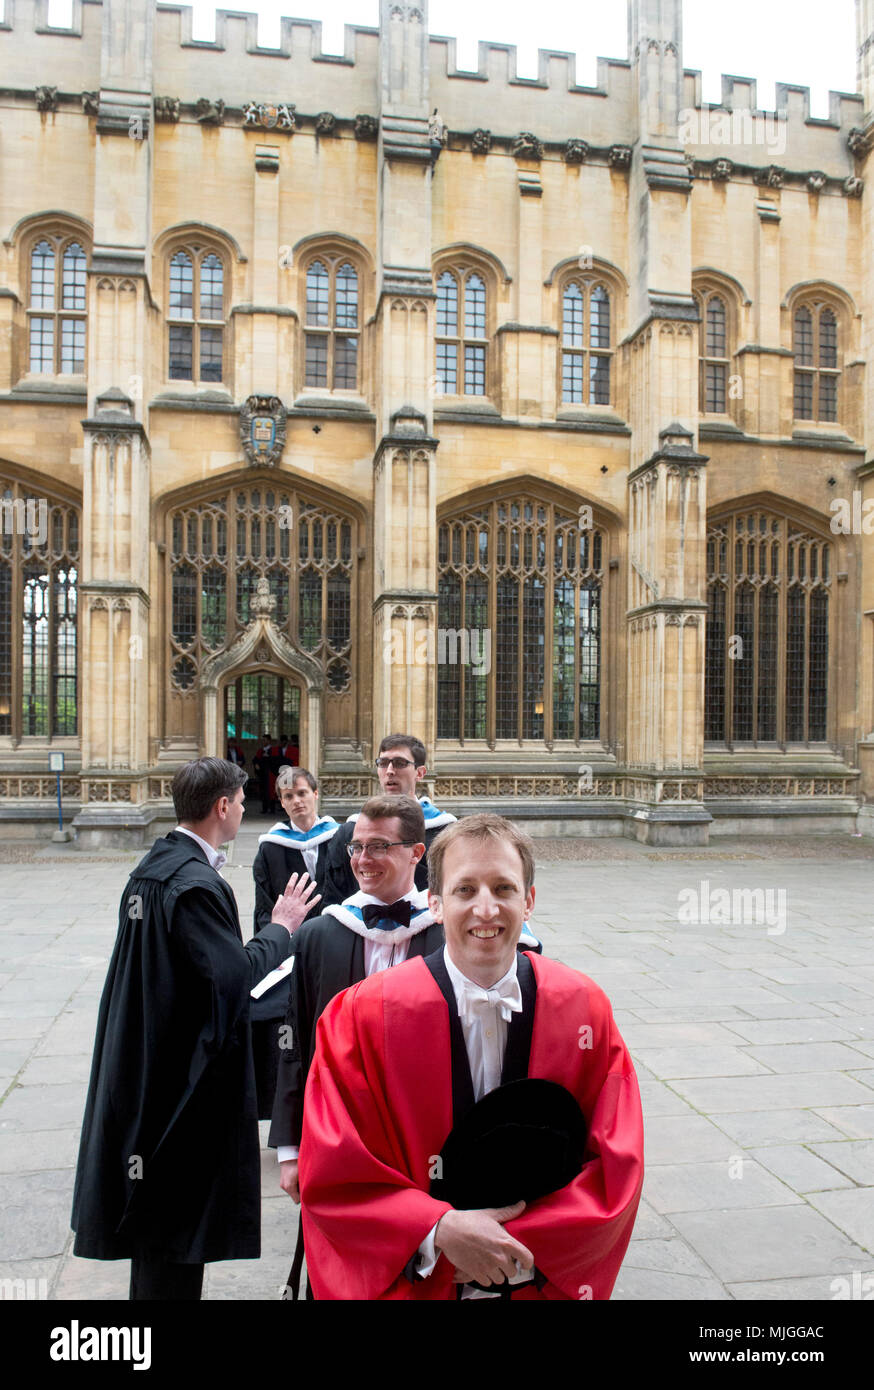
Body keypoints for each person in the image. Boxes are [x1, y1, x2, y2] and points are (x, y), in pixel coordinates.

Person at [297, 813, 644, 1301]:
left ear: (529, 901)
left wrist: (510, 1249)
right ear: (435, 904)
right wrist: (437, 1233)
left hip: (534, 1279)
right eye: (465, 890)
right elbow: (335, 1169)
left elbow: (615, 1164)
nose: (486, 909)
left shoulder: (585, 1009)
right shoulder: (359, 1017)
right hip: (417, 1279)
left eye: (503, 888)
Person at [70, 757, 320, 1301]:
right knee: (175, 1235)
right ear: (223, 807)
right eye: (239, 800)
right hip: (181, 1080)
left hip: (148, 1062)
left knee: (161, 1233)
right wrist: (282, 928)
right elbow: (234, 980)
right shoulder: (194, 882)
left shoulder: (154, 867)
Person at [269, 795, 444, 1207]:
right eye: (357, 847)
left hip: (428, 1133)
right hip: (339, 1127)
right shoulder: (320, 936)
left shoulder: (446, 938)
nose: (364, 859)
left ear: (417, 852)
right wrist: (289, 1149)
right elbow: (294, 1042)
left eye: (380, 846)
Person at [250, 766, 339, 1119]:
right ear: (282, 803)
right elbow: (263, 910)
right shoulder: (271, 849)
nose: (297, 801)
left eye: (302, 793)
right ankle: (289, 1111)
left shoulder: (340, 840)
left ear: (315, 794)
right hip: (288, 955)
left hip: (333, 947)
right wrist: (280, 948)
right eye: (289, 796)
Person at [320, 733, 456, 906]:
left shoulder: (445, 834)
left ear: (420, 772)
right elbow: (334, 897)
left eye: (400, 763)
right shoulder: (349, 833)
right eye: (383, 763)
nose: (390, 771)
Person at [253, 733, 274, 813]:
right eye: (263, 740)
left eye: (265, 740)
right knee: (263, 790)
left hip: (270, 773)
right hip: (262, 774)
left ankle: (272, 809)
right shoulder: (260, 750)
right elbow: (255, 759)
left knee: (271, 791)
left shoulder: (273, 750)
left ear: (269, 740)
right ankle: (264, 808)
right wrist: (256, 764)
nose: (263, 741)